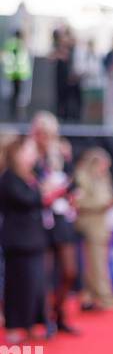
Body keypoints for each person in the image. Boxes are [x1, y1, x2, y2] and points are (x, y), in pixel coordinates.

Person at [31, 111, 81, 337]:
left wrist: (65, 191)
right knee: (45, 273)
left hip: (61, 217)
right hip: (39, 218)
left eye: (48, 133)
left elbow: (73, 181)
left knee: (69, 271)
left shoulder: (61, 152)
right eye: (40, 132)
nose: (44, 137)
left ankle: (58, 313)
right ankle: (46, 319)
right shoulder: (29, 156)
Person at [0, 135, 46, 342]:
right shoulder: (8, 177)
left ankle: (30, 324)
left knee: (34, 285)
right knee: (16, 283)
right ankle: (12, 325)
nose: (31, 155)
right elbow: (27, 200)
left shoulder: (31, 176)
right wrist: (44, 194)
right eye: (27, 151)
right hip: (17, 240)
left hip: (34, 237)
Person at [74, 147, 113, 311]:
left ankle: (90, 297)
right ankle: (105, 298)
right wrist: (103, 204)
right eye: (103, 165)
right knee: (96, 265)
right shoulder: (82, 177)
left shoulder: (103, 178)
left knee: (96, 264)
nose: (105, 169)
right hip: (88, 225)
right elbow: (78, 203)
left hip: (101, 226)